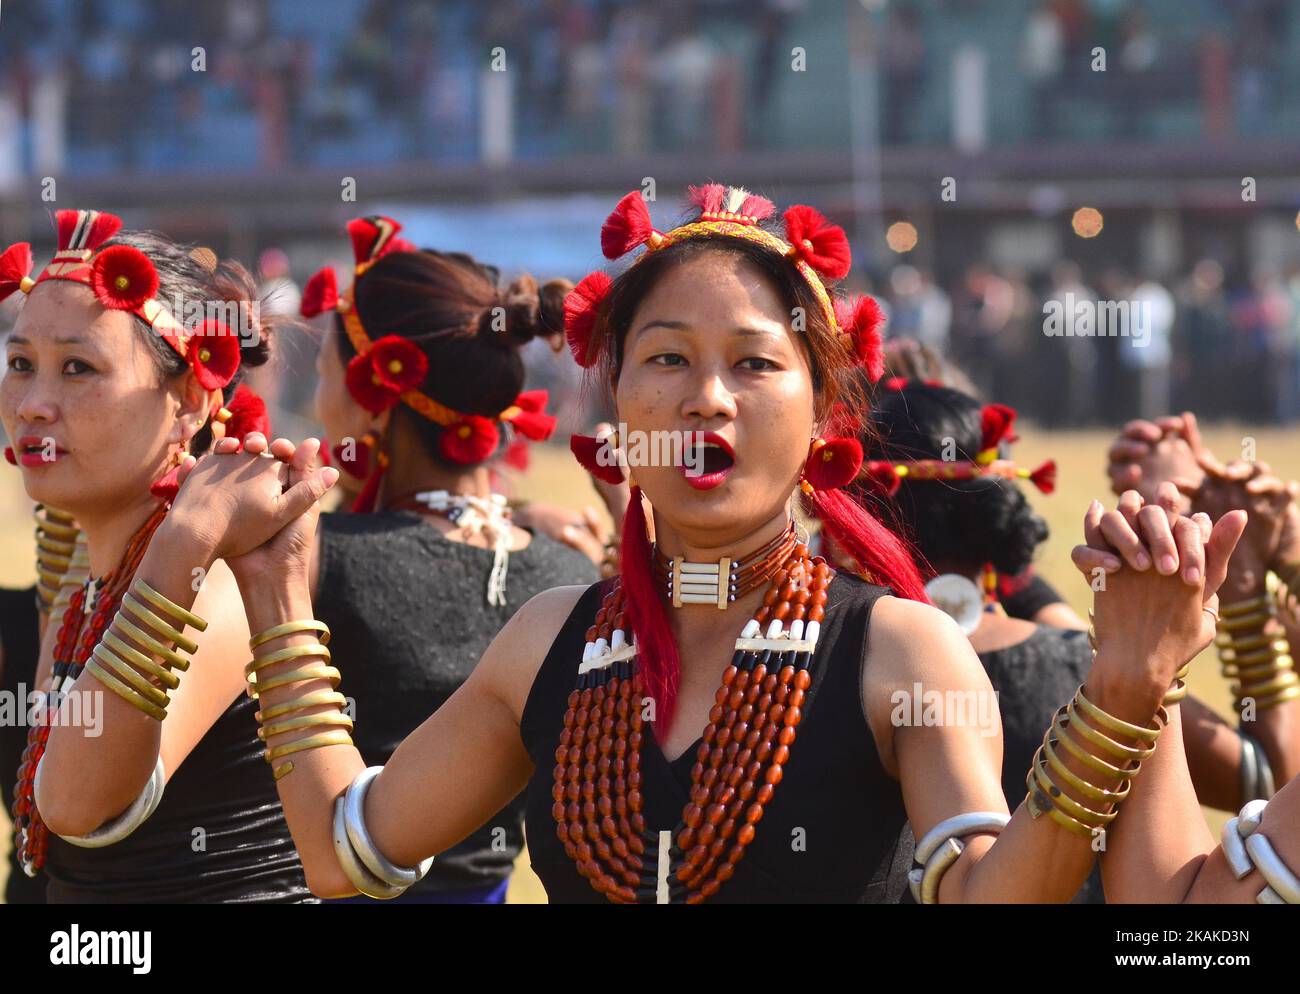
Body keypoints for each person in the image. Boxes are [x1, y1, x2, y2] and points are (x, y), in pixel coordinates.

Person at [176, 183, 1233, 904]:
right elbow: (345, 848)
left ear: (825, 414)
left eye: (755, 364)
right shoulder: (550, 640)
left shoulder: (899, 648)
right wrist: (277, 600)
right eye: (667, 359)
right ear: (616, 404)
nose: (707, 398)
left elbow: (990, 894)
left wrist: (1123, 696)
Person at [0, 210, 320, 901]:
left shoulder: (216, 583)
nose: (32, 405)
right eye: (21, 364)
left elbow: (73, 803)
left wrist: (187, 539)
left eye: (77, 368)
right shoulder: (89, 576)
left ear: (192, 399)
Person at [296, 216, 599, 901]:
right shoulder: (571, 577)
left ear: (375, 393)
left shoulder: (311, 564)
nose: (317, 404)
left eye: (321, 372)